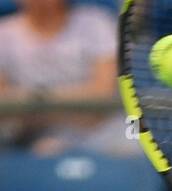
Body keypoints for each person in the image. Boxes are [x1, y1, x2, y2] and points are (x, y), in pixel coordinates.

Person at [0, 0, 118, 155]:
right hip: (28, 137)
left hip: (100, 132)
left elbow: (103, 94)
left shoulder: (97, 22)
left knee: (131, 139)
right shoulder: (4, 32)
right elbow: (4, 102)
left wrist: (33, 101)